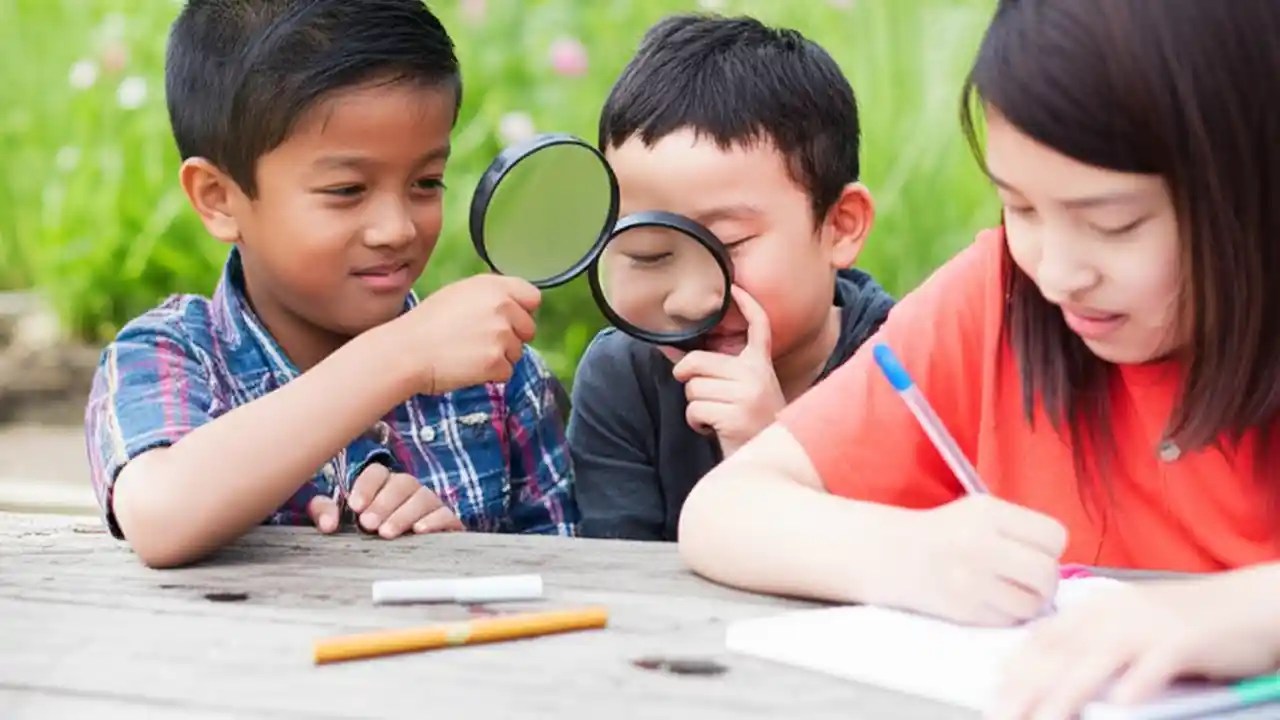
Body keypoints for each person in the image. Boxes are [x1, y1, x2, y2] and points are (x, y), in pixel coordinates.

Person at [676, 1, 1280, 717]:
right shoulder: (1001, 301)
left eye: (1114, 225)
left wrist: (1234, 614)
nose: (1058, 271)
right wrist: (907, 552)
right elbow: (726, 509)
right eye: (1020, 208)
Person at [83, 0, 577, 569]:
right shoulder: (171, 356)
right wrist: (404, 354)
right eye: (347, 190)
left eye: (426, 181)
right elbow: (162, 515)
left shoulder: (499, 379)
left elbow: (567, 575)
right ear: (219, 199)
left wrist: (458, 552)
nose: (396, 229)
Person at [567, 14, 895, 541]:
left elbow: (898, 570)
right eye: (650, 254)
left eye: (728, 246)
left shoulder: (905, 371)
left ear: (839, 226)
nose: (692, 299)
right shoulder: (621, 378)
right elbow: (622, 580)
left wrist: (768, 452)